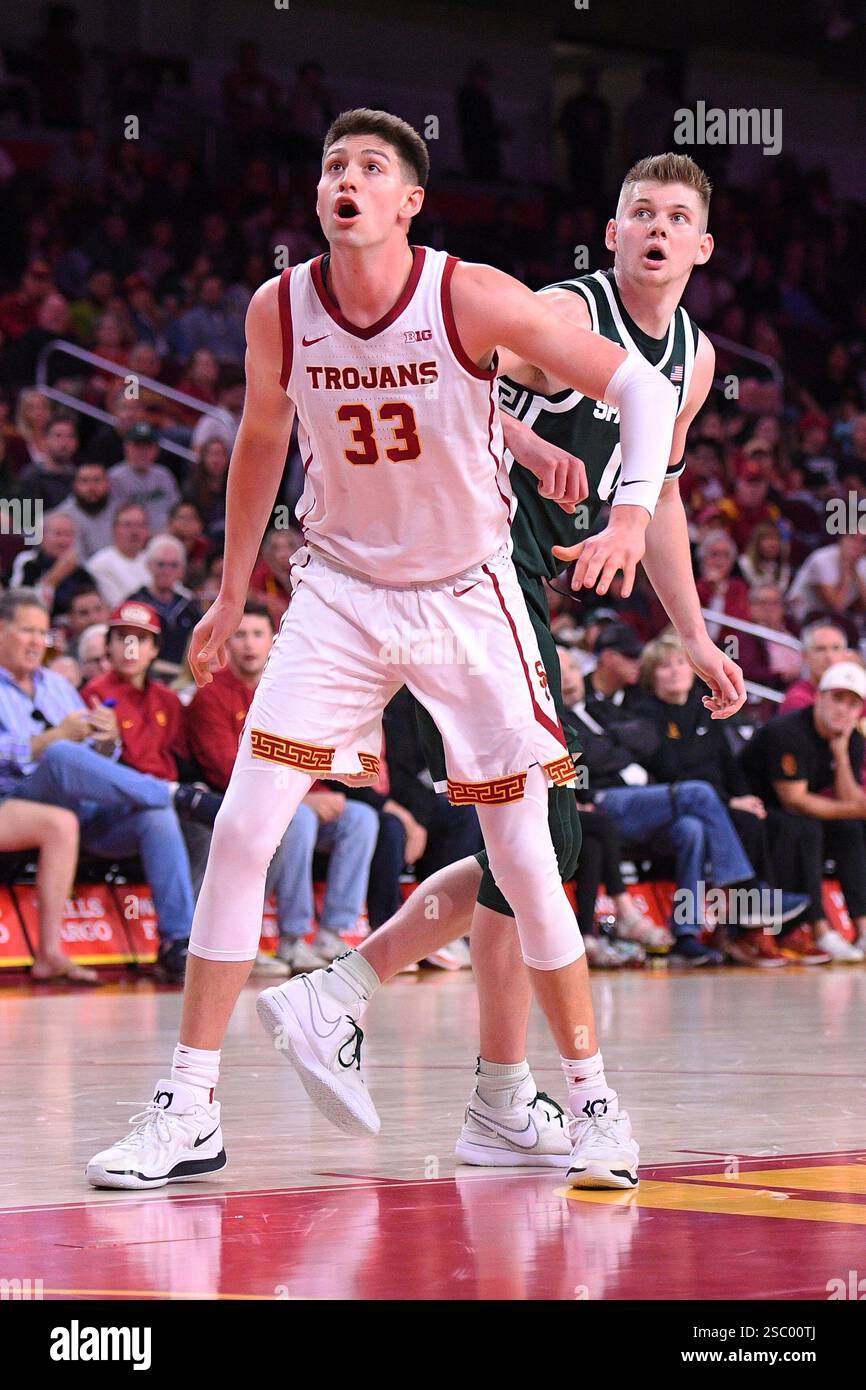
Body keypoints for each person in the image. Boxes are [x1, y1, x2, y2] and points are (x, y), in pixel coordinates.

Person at [86, 111, 693, 1192]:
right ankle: (187, 1106)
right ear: (319, 196)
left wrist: (633, 515)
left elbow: (640, 389)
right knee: (242, 829)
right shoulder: (279, 306)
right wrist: (229, 591)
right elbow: (261, 440)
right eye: (334, 165)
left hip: (468, 596)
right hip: (340, 595)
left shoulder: (470, 294)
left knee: (526, 857)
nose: (347, 179)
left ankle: (592, 1103)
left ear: (408, 202)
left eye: (372, 166)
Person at [238, 152, 748, 1148]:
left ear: (701, 246)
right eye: (638, 211)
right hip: (470, 568)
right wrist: (530, 444)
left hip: (528, 589)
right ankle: (435, 1049)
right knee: (541, 836)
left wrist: (690, 631)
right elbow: (441, 382)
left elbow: (663, 493)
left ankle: (463, 1074)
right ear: (610, 234)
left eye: (675, 216)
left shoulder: (692, 360)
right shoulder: (561, 309)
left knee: (531, 846)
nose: (655, 227)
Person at [0, 590, 221, 984]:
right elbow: (53, 752)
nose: (36, 642)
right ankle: (175, 794)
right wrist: (52, 739)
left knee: (155, 817)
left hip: (80, 806)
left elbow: (89, 759)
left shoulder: (56, 685)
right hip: (17, 797)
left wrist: (106, 742)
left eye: (42, 633)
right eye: (26, 631)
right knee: (59, 754)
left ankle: (177, 942)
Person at [185, 601, 379, 974]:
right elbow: (226, 769)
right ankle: (292, 938)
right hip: (234, 802)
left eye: (258, 634)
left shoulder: (288, 686)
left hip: (295, 792)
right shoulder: (210, 692)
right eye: (240, 635)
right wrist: (301, 799)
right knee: (298, 819)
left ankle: (332, 933)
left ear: (273, 640)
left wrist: (310, 794)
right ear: (226, 641)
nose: (249, 644)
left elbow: (314, 749)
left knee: (361, 819)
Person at [638, 631, 810, 966]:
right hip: (676, 808)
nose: (674, 671)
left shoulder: (705, 707)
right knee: (723, 823)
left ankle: (762, 929)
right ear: (651, 675)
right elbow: (670, 772)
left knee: (768, 820)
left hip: (719, 803)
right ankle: (747, 911)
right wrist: (729, 802)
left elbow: (728, 763)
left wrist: (745, 795)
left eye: (681, 663)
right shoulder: (646, 714)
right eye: (665, 666)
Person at [740, 661, 866, 964]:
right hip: (753, 810)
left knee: (850, 830)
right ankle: (818, 928)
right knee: (806, 828)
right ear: (819, 697)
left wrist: (841, 756)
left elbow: (851, 802)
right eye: (837, 699)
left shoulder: (851, 738)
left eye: (852, 704)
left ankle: (863, 928)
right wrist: (855, 809)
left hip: (794, 814)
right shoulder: (788, 732)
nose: (843, 710)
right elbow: (793, 800)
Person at [127, 534, 202, 676]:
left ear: (182, 569)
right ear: (149, 565)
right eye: (161, 564)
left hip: (188, 678)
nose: (166, 571)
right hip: (145, 676)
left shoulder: (190, 607)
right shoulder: (134, 605)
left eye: (173, 565)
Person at [107, 423, 181, 534]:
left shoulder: (164, 474)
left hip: (167, 535)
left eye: (148, 446)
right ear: (127, 447)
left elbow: (176, 510)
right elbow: (115, 518)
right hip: (133, 537)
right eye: (138, 446)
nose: (143, 452)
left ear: (156, 450)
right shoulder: (114, 478)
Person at [87, 503, 151, 608]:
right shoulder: (100, 564)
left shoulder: (154, 559)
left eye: (140, 525)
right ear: (114, 529)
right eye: (127, 525)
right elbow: (117, 605)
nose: (134, 532)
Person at [780, 620, 847, 712]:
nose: (829, 657)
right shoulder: (797, 701)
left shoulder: (857, 695)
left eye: (836, 648)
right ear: (805, 656)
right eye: (820, 649)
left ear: (845, 655)